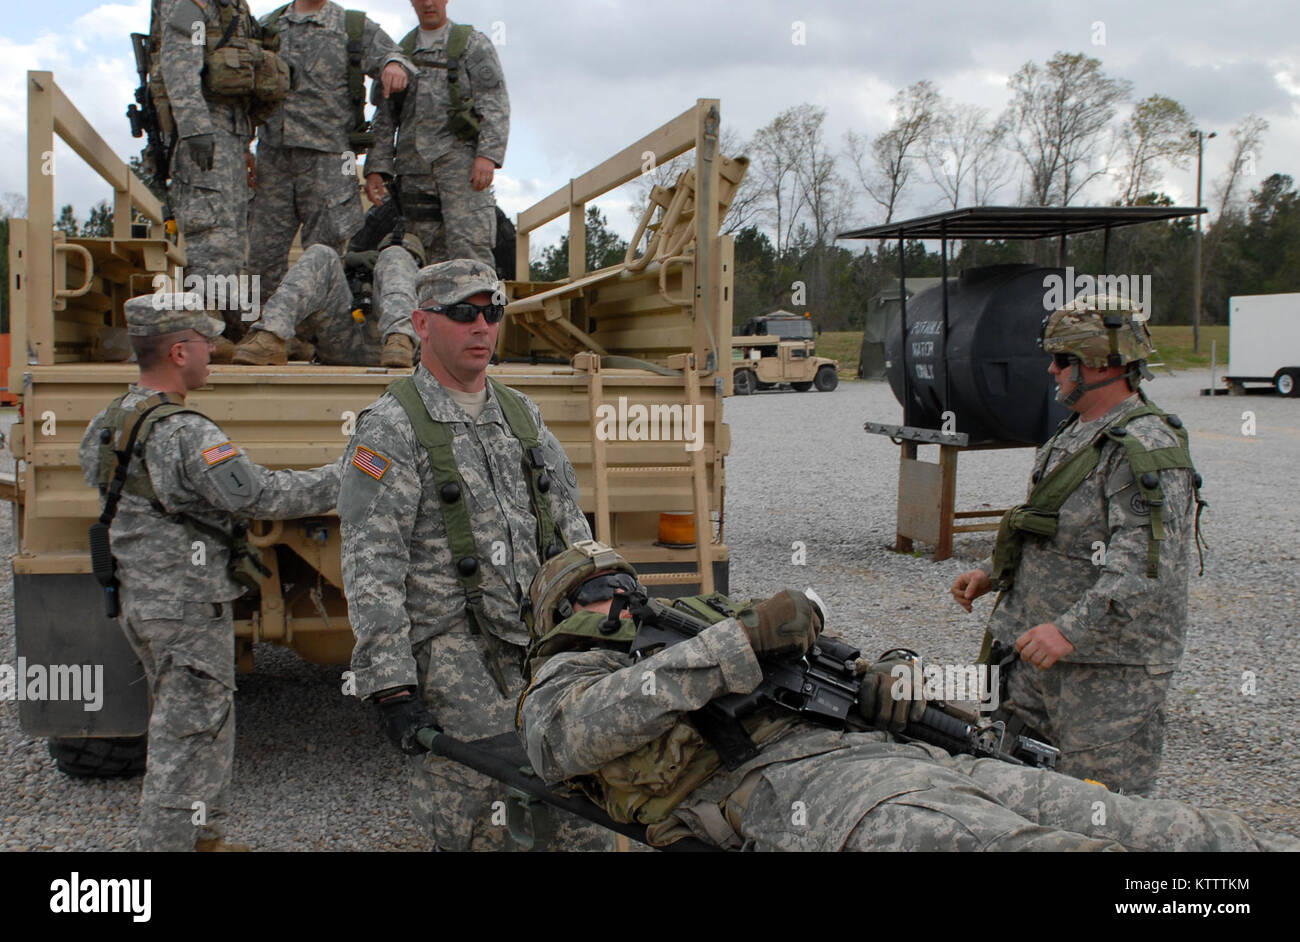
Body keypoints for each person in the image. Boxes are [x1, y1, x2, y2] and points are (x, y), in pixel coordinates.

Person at [516, 541, 1293, 852]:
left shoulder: (700, 622)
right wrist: (736, 645)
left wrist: (894, 676)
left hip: (893, 751)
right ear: (562, 620)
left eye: (623, 581)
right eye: (592, 592)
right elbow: (571, 742)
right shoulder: (566, 677)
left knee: (1139, 822)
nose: (616, 597)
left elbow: (842, 663)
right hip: (789, 785)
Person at [339, 258, 606, 850]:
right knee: (477, 824)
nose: (482, 326)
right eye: (463, 313)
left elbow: (568, 522)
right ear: (421, 324)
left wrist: (601, 584)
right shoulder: (389, 428)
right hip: (453, 660)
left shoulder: (519, 414)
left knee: (578, 809)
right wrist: (391, 685)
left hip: (540, 649)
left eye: (492, 312)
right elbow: (370, 566)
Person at [77, 295, 341, 851]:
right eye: (204, 343)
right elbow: (262, 495)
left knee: (197, 727)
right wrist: (356, 470)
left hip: (145, 601)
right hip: (187, 607)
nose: (213, 354)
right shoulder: (186, 432)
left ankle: (201, 838)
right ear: (178, 351)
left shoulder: (110, 420)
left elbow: (100, 478)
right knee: (188, 737)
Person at [950, 297, 1204, 796]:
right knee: (1020, 789)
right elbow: (1051, 529)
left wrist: (1069, 630)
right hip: (1036, 659)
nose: (1053, 370)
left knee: (1102, 807)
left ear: (1103, 366)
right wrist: (991, 572)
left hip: (1105, 674)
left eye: (1063, 360)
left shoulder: (1145, 448)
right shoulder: (1076, 434)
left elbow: (1146, 568)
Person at [243, 0, 413, 351]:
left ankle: (312, 338)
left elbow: (393, 55)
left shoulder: (352, 26)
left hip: (331, 158)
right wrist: (244, 144)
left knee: (324, 254)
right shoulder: (268, 26)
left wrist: (393, 63)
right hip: (274, 156)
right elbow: (246, 89)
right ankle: (266, 334)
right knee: (262, 255)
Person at [363, 0, 509, 367]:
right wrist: (377, 167)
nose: (428, 2)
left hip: (462, 171)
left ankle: (483, 347)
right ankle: (424, 345)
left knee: (472, 257)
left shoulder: (470, 44)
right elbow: (385, 117)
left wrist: (487, 156)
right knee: (420, 261)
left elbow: (494, 101)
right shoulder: (402, 52)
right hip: (414, 174)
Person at [156, 0, 281, 349]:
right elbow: (178, 60)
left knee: (232, 237)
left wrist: (245, 147)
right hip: (205, 130)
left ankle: (227, 323)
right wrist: (195, 127)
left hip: (231, 132)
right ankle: (204, 330)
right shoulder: (192, 2)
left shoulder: (233, 7)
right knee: (209, 235)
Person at [231, 236, 424, 366]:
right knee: (320, 252)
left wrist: (396, 260)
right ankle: (271, 334)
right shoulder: (348, 274)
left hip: (402, 348)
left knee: (395, 255)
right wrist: (346, 263)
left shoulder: (431, 288)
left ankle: (400, 338)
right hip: (342, 342)